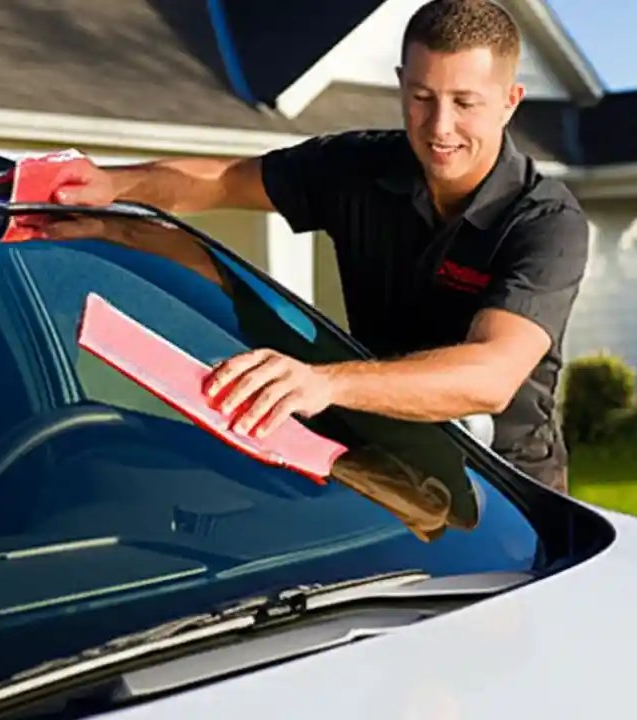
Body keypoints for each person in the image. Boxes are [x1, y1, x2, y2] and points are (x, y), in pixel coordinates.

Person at [47, 0, 589, 494]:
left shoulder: (545, 222)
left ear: (510, 101)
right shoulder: (358, 168)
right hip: (386, 468)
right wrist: (107, 189)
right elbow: (220, 181)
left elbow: (491, 376)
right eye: (421, 97)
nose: (439, 126)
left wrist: (323, 382)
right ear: (401, 83)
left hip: (509, 486)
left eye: (464, 103)